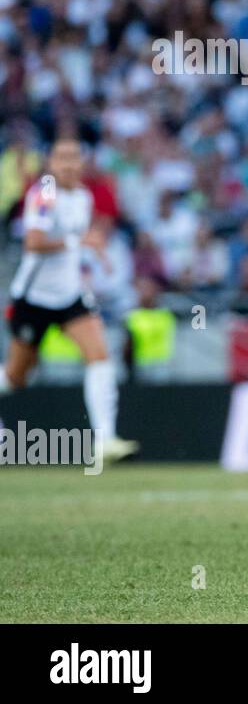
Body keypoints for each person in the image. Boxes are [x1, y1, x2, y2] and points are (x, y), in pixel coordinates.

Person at [0, 138, 139, 462]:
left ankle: (105, 439)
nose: (69, 164)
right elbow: (34, 243)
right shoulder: (44, 194)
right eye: (61, 158)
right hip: (33, 298)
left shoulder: (83, 196)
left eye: (74, 157)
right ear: (49, 163)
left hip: (70, 296)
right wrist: (81, 241)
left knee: (100, 355)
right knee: (16, 377)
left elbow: (77, 243)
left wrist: (95, 254)